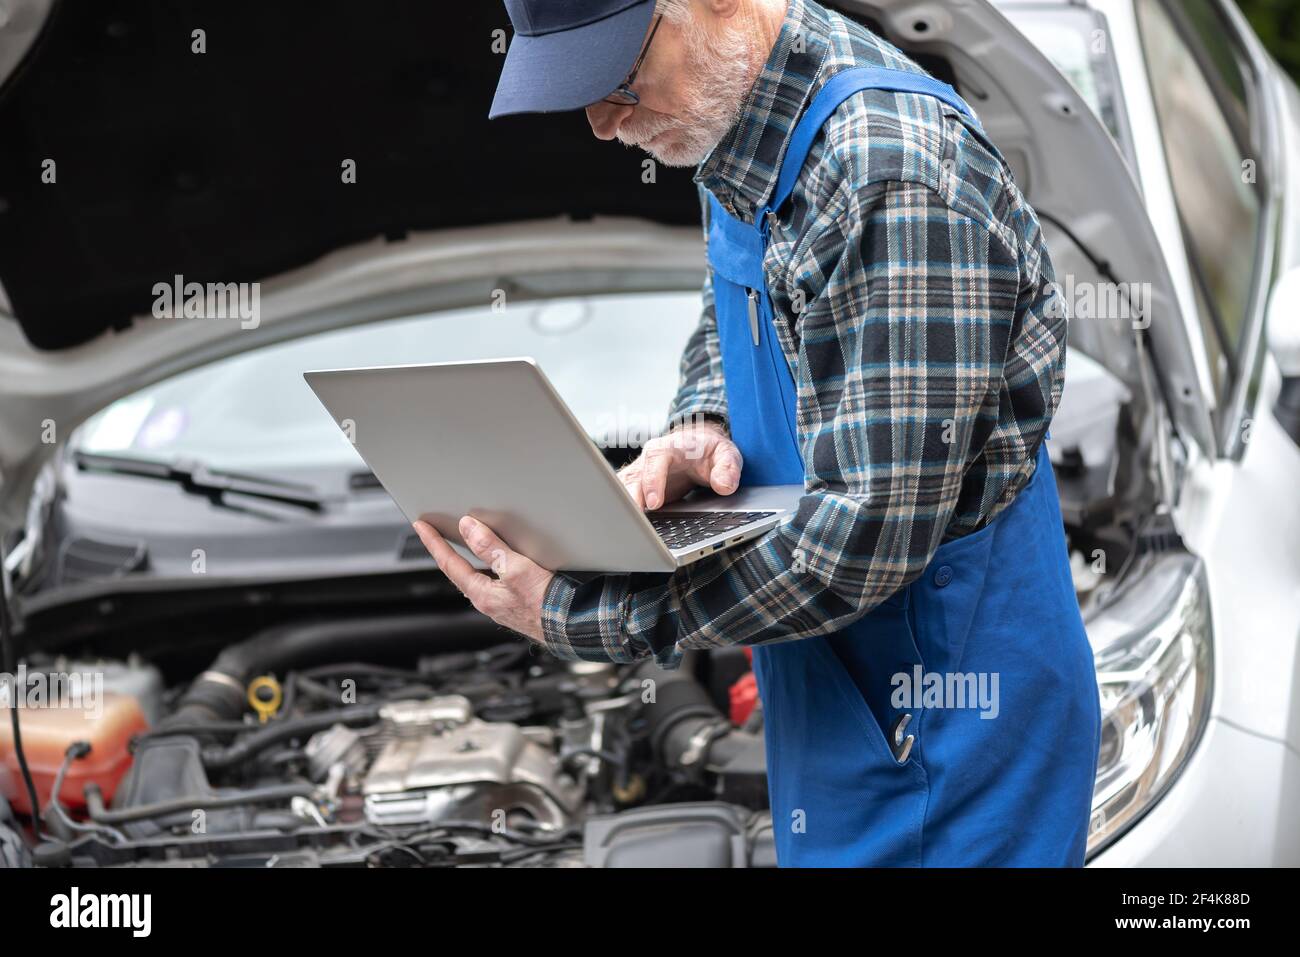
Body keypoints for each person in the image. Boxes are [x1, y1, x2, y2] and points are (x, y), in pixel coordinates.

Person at [413, 0, 1102, 866]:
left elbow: (863, 539)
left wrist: (582, 613)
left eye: (618, 81)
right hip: (831, 695)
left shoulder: (891, 176)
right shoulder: (742, 118)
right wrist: (700, 424)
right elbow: (732, 302)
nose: (600, 125)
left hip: (955, 724)